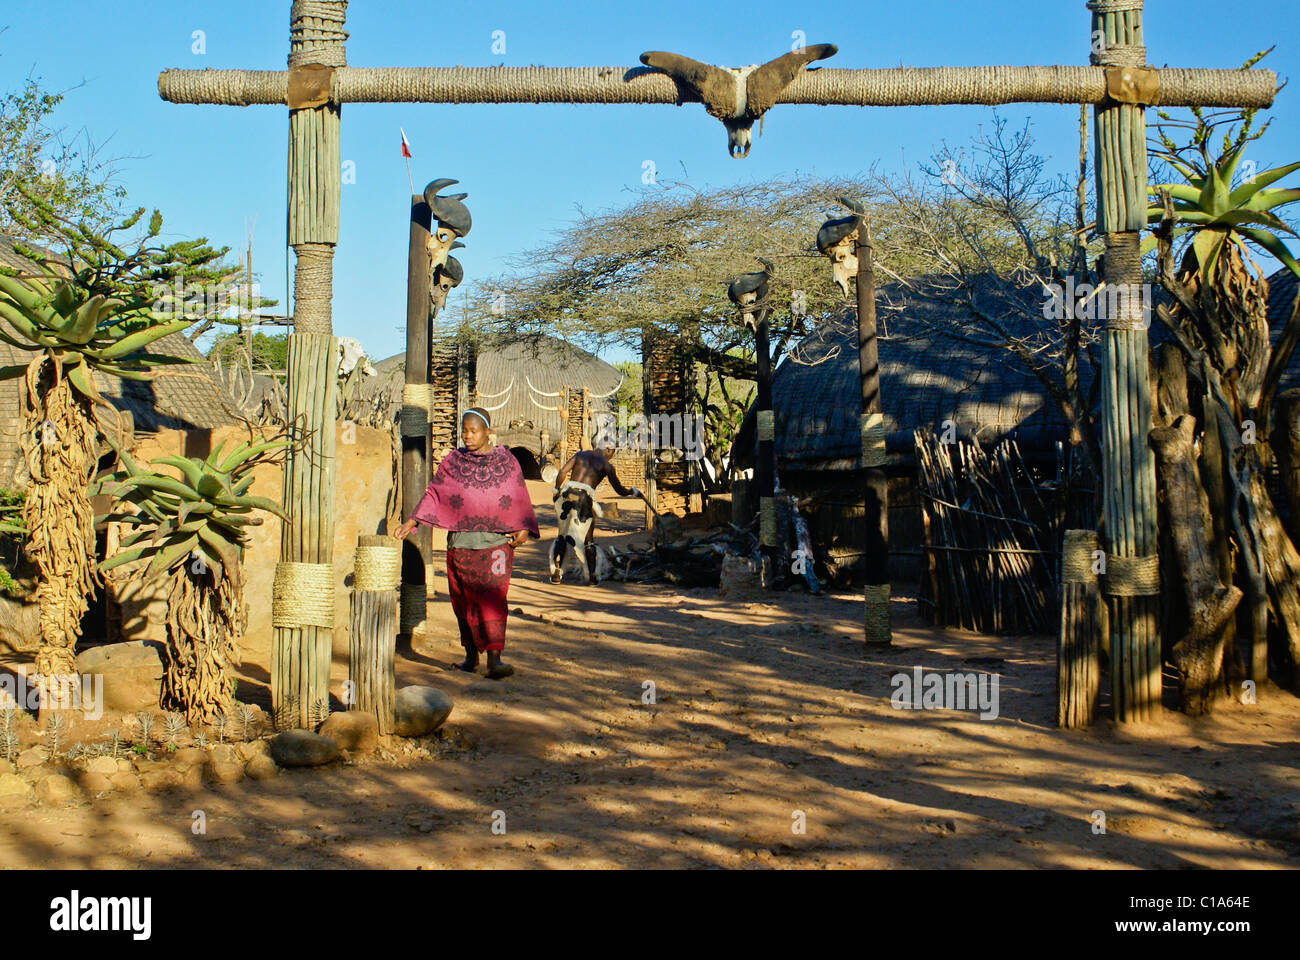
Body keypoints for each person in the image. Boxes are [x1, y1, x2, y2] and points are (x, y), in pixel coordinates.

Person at [393, 407, 538, 679]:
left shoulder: (506, 461)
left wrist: (522, 526)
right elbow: (435, 493)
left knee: (494, 599)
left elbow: (517, 493)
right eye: (464, 430)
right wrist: (411, 522)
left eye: (473, 431)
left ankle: (494, 659)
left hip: (496, 545)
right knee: (463, 600)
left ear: (487, 432)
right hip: (460, 543)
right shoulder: (453, 461)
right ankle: (470, 657)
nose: (467, 436)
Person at [550, 438, 643, 585]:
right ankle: (592, 577)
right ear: (608, 449)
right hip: (584, 498)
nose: (611, 455)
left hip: (567, 493)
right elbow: (619, 490)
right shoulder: (607, 466)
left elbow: (562, 472)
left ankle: (556, 574)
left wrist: (556, 490)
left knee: (561, 536)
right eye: (612, 452)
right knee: (588, 541)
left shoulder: (580, 455)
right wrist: (632, 491)